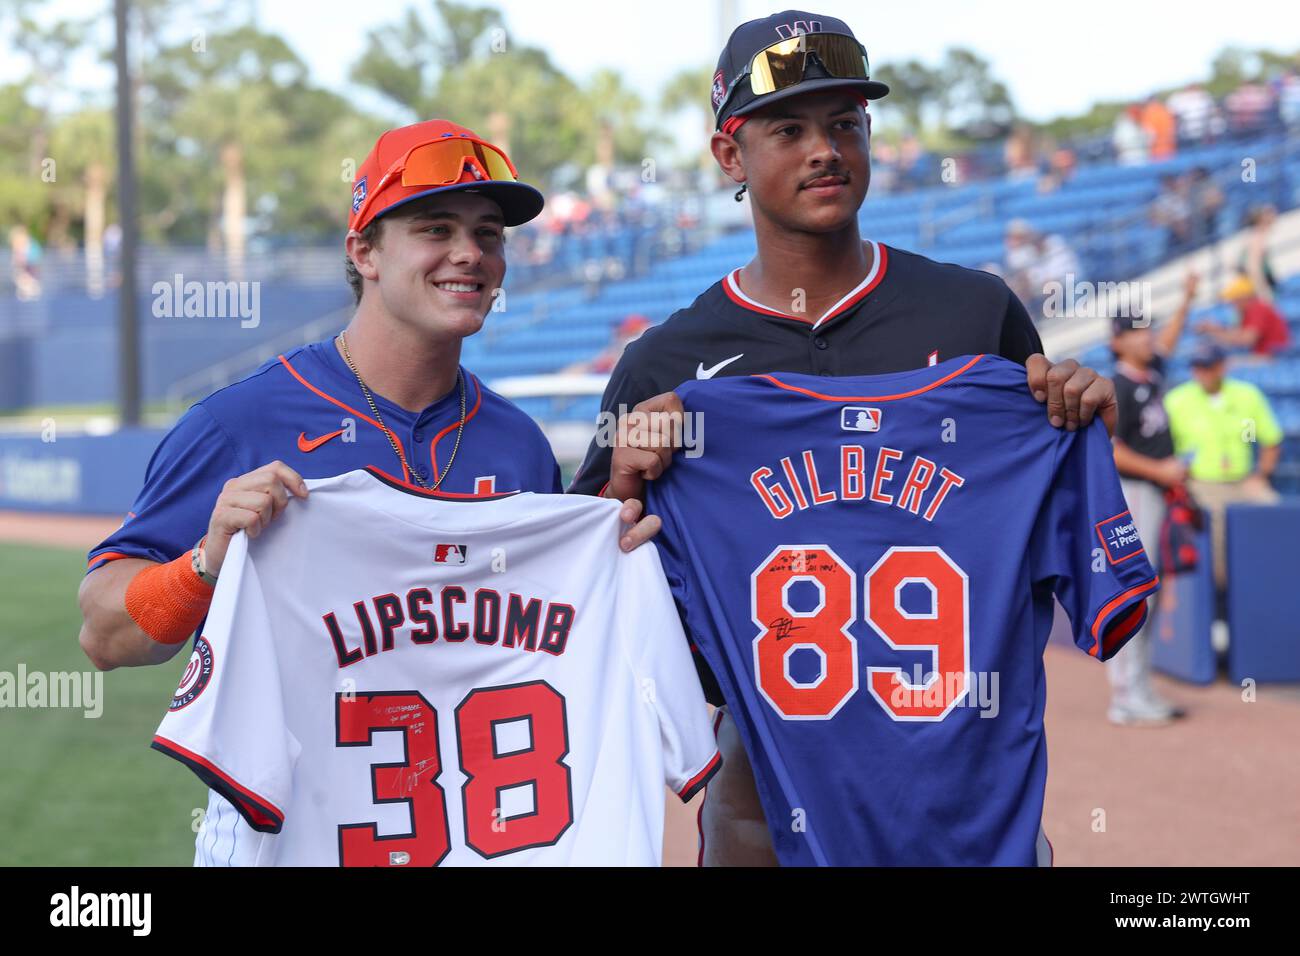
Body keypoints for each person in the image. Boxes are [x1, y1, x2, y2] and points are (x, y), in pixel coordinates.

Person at [569, 10, 1119, 866]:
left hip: (963, 794)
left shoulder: (975, 311)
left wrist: (1077, 413)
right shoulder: (666, 362)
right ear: (729, 157)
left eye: (845, 124)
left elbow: (1039, 488)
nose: (824, 149)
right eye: (788, 129)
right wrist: (625, 488)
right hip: (762, 797)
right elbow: (592, 599)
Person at [75, 118, 655, 864]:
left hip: (477, 841)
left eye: (489, 233)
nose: (469, 254)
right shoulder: (239, 423)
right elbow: (101, 635)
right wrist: (206, 562)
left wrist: (608, 559)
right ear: (364, 251)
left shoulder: (516, 445)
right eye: (434, 227)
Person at [1106, 273, 1198, 725]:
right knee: (1137, 589)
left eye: (1150, 329)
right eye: (1139, 331)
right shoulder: (1118, 385)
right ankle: (1125, 696)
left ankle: (1137, 689)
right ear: (1118, 340)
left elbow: (1171, 343)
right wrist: (1161, 469)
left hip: (1157, 494)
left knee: (1151, 590)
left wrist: (1186, 300)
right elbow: (1113, 448)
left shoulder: (1152, 371)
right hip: (1137, 492)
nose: (1149, 338)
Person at [1164, 341, 1283, 604]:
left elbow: (1269, 439)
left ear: (1222, 367)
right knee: (1217, 534)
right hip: (1201, 481)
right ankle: (1223, 599)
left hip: (1244, 479)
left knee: (1275, 512)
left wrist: (1260, 474)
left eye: (1208, 367)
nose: (1202, 373)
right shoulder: (1178, 400)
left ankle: (1276, 583)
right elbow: (1164, 447)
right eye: (1198, 367)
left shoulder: (1245, 396)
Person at [1196, 274, 1291, 360]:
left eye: (1235, 299)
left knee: (1223, 365)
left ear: (1244, 298)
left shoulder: (1258, 308)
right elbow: (1237, 335)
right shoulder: (1247, 312)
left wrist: (1215, 331)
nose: (1232, 303)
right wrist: (1215, 330)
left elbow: (1247, 339)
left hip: (1274, 358)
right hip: (1264, 356)